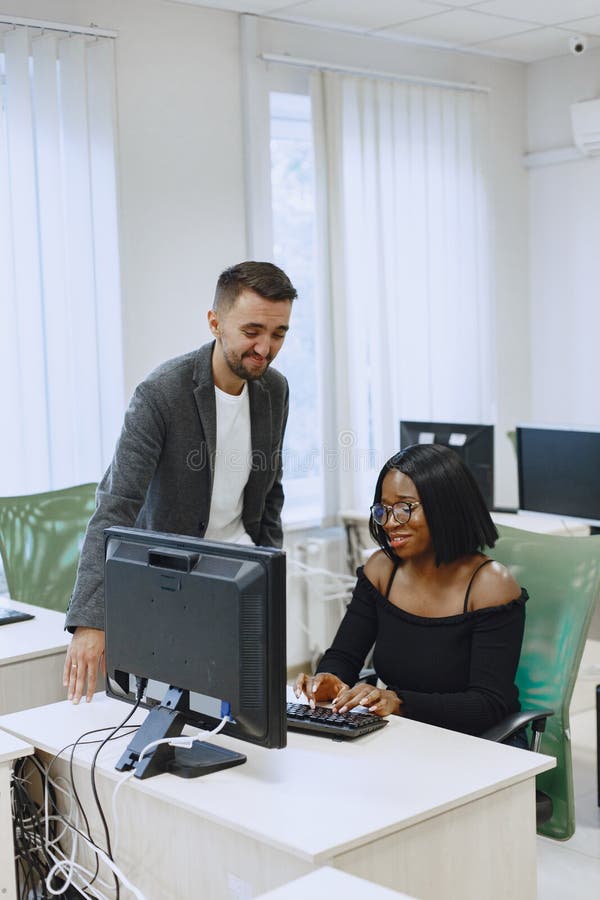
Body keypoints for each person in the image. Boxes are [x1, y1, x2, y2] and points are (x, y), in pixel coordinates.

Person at [65, 261, 297, 703]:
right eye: (252, 331)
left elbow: (270, 496)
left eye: (279, 333)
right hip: (170, 582)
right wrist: (90, 620)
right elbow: (116, 504)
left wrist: (272, 575)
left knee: (247, 717)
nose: (265, 349)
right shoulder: (162, 393)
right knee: (170, 716)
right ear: (214, 322)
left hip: (241, 580)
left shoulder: (275, 391)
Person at [295, 443, 527, 742]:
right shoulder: (382, 571)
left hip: (480, 742)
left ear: (446, 506)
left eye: (405, 508)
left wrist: (398, 701)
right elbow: (343, 656)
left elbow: (488, 704)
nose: (390, 523)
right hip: (408, 734)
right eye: (384, 510)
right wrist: (331, 679)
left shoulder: (489, 585)